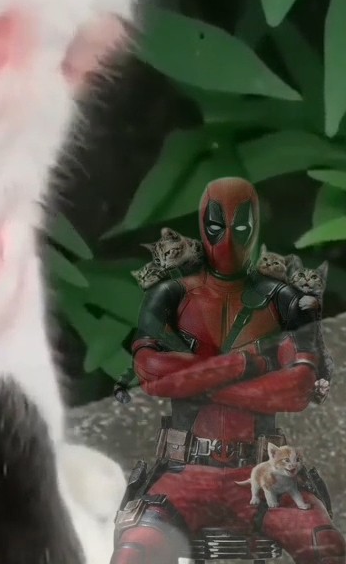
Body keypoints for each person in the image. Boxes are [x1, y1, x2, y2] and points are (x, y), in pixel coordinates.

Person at [111, 177, 345, 563]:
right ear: (203, 224)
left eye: (241, 226)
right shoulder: (170, 294)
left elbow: (297, 387)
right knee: (134, 554)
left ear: (256, 225)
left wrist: (194, 382)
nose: (229, 240)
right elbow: (150, 370)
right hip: (183, 477)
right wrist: (247, 364)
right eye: (218, 226)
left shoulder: (284, 300)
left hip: (263, 475)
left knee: (326, 549)